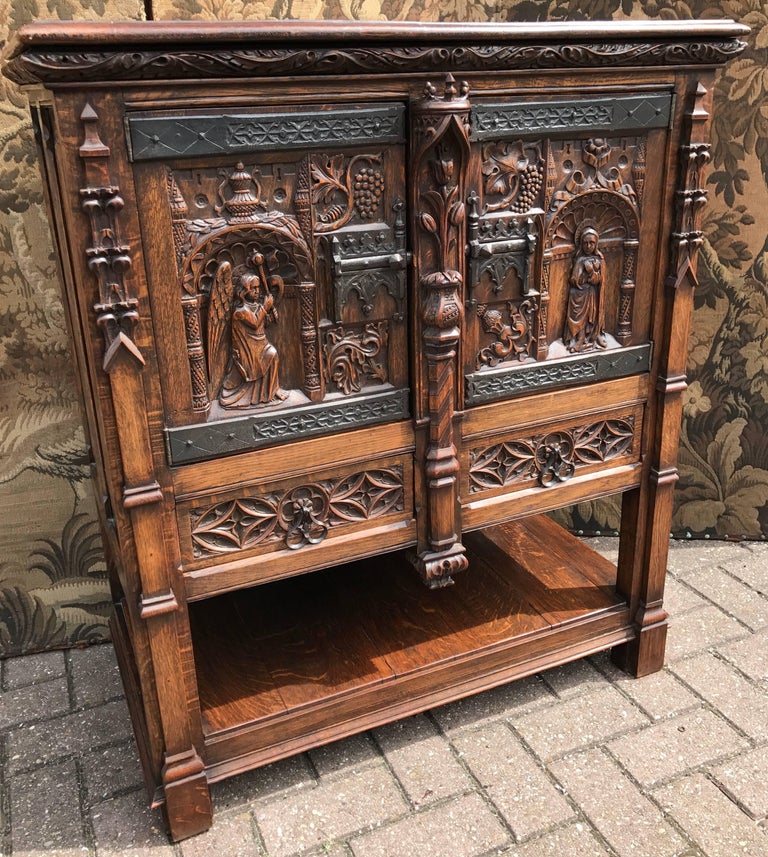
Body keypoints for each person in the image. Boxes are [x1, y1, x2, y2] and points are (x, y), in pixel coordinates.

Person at [219, 271, 286, 407]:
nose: (257, 291)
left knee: (274, 356)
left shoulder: (255, 306)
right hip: (249, 351)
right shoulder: (240, 311)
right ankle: (265, 394)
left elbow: (262, 323)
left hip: (260, 344)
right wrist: (266, 307)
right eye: (253, 288)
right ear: (244, 291)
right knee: (272, 354)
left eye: (258, 287)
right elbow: (255, 323)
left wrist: (270, 316)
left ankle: (273, 391)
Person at [564, 227, 608, 352]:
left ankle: (594, 336)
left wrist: (592, 273)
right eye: (586, 243)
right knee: (577, 318)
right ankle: (578, 339)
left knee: (591, 317)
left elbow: (600, 281)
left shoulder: (599, 260)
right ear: (581, 244)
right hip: (577, 295)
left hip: (591, 294)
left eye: (592, 243)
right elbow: (573, 280)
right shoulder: (579, 260)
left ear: (596, 244)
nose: (588, 246)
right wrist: (582, 275)